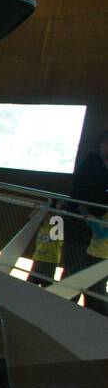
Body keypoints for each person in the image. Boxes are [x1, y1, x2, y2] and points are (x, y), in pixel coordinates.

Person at [65, 129, 108, 314]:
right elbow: (80, 193)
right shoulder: (91, 164)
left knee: (93, 279)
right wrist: (86, 214)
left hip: (98, 234)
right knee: (76, 273)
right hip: (81, 229)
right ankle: (66, 310)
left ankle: (91, 315)